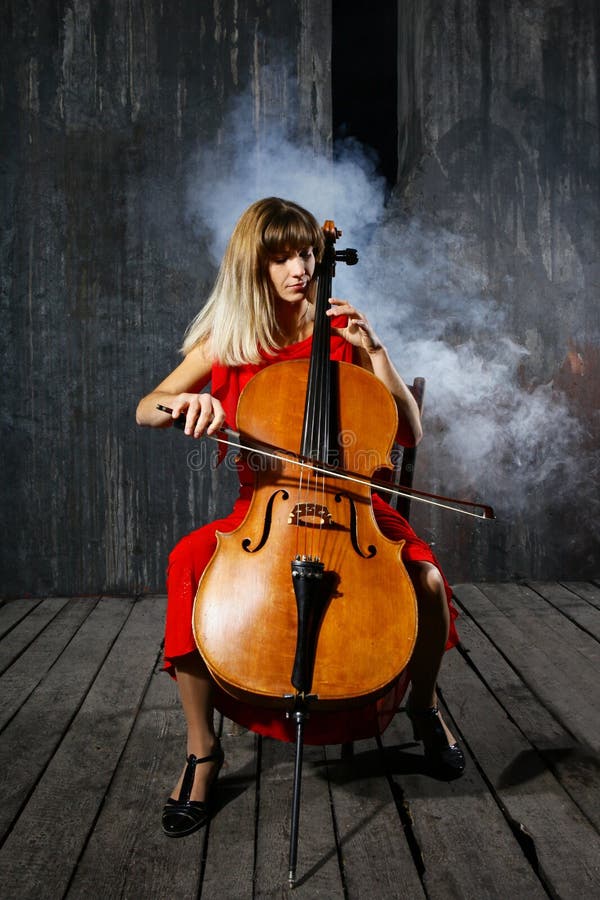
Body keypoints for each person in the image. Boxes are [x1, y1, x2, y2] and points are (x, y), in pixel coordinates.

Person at [136, 197, 465, 838]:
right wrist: (185, 406)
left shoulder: (342, 335)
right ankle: (202, 750)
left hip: (355, 512)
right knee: (187, 565)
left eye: (308, 254)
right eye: (282, 257)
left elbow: (410, 433)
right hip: (266, 511)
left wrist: (377, 352)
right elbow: (147, 405)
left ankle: (424, 708)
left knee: (426, 582)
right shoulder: (230, 341)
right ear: (253, 265)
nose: (301, 268)